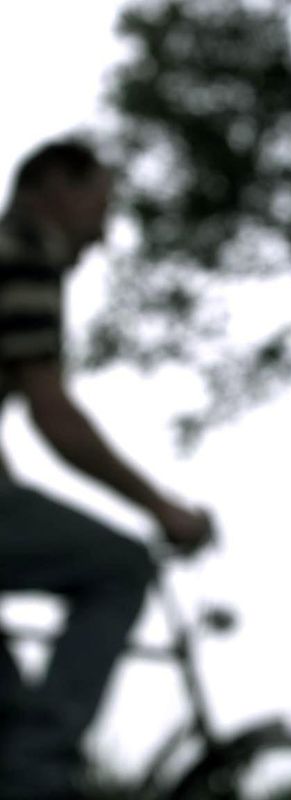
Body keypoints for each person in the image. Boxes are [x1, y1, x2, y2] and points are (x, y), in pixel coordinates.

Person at [0, 139, 212, 800]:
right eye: (101, 203)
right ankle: (38, 771)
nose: (104, 228)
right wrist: (162, 508)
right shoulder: (24, 256)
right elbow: (54, 415)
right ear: (56, 186)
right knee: (120, 564)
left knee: (10, 720)